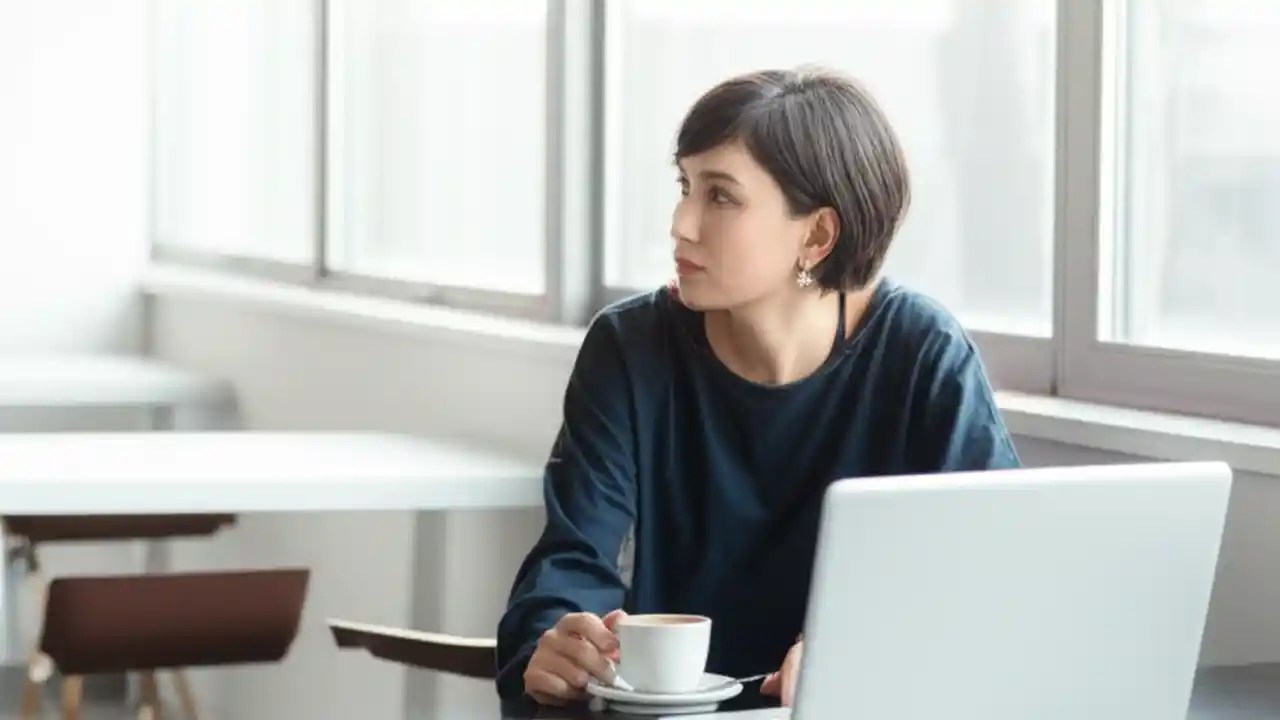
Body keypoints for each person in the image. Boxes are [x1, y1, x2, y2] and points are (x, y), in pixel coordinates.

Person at [496, 66, 1019, 709]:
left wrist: (862, 648)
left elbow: (993, 580)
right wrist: (554, 644)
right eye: (685, 186)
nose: (681, 223)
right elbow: (570, 561)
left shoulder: (920, 353)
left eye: (720, 197)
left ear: (817, 235)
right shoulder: (631, 348)